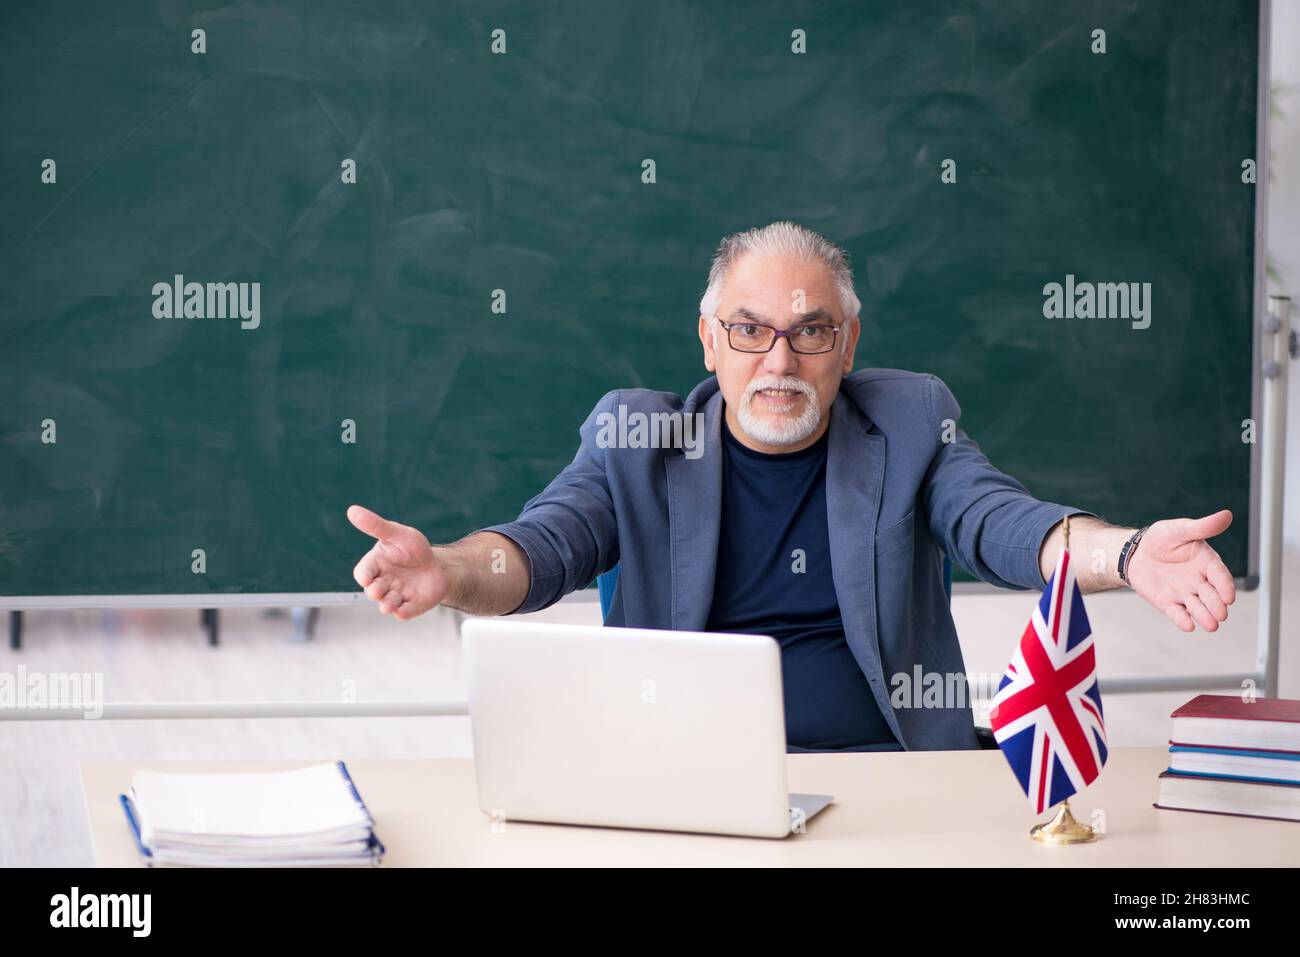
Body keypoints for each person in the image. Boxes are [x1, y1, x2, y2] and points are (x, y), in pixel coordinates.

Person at [346, 221, 1236, 751]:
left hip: (885, 770)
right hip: (684, 780)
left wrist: (1125, 551)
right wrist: (449, 574)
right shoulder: (638, 440)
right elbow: (542, 547)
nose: (780, 359)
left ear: (848, 346)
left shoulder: (912, 420)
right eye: (750, 330)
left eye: (811, 331)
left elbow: (1000, 523)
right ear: (708, 341)